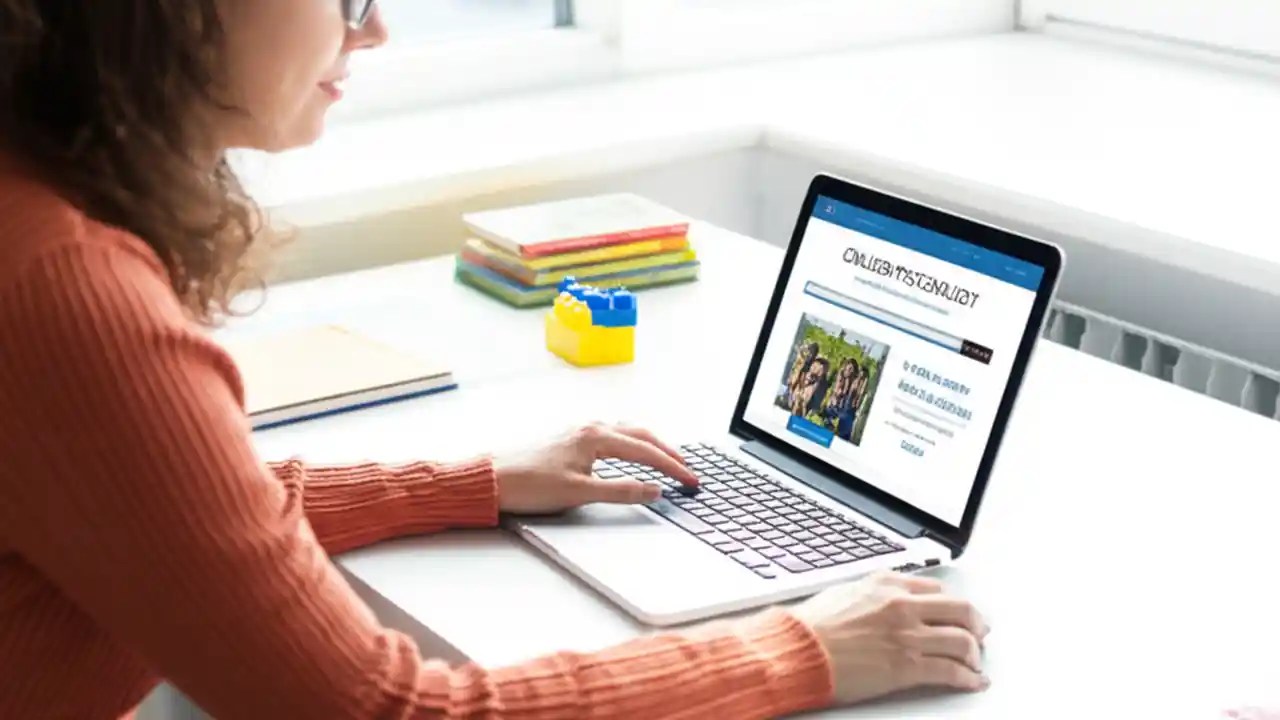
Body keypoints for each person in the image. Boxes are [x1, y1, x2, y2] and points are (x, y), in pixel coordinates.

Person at [0, 2, 991, 718]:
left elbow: (164, 509)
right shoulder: (69, 294)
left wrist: (473, 483)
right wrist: (804, 648)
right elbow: (390, 711)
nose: (375, 29)